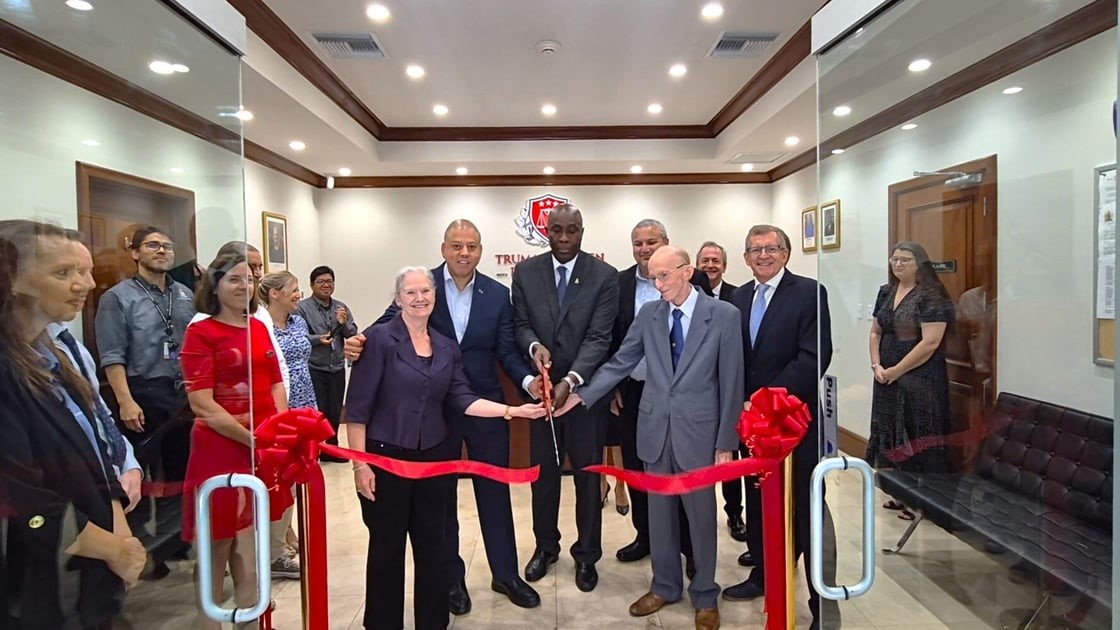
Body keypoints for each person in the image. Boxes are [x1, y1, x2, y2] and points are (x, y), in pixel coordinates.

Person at [344, 220, 541, 613]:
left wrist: (529, 381)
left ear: (480, 250)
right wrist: (357, 342)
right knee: (440, 500)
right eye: (456, 245)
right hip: (433, 412)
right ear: (444, 248)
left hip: (480, 403)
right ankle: (450, 580)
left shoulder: (498, 294)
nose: (464, 252)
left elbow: (506, 349)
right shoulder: (422, 285)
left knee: (494, 491)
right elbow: (386, 326)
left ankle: (505, 574)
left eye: (471, 246)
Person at [558, 246, 743, 630]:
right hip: (655, 429)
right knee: (658, 517)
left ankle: (705, 595)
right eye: (651, 276)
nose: (656, 284)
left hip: (700, 433)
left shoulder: (723, 315)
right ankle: (664, 585)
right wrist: (581, 395)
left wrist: (726, 441)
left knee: (701, 519)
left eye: (663, 276)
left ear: (687, 272)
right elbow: (621, 361)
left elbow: (732, 382)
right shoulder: (649, 314)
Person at [0, 220, 147, 629]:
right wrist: (111, 546)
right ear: (14, 280)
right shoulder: (8, 368)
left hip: (82, 563)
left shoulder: (54, 355)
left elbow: (94, 441)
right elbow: (22, 494)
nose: (84, 284)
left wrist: (117, 520)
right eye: (63, 273)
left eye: (83, 272)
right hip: (37, 575)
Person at [722, 224, 838, 630]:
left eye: (771, 248)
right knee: (759, 501)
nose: (763, 255)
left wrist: (767, 398)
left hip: (793, 421)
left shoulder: (809, 293)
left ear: (786, 253)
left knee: (804, 508)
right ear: (746, 258)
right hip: (751, 424)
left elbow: (815, 356)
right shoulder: (738, 296)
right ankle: (763, 576)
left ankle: (820, 599)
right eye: (754, 250)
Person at [512, 203, 619, 593]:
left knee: (588, 480)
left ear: (582, 230)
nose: (563, 239)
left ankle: (587, 554)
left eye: (571, 230)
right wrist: (534, 346)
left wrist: (571, 381)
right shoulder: (525, 272)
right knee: (544, 478)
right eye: (555, 230)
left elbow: (599, 338)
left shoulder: (604, 276)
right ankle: (546, 547)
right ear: (545, 230)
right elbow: (521, 324)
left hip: (584, 397)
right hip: (542, 397)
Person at [179, 250, 288, 630]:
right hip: (220, 448)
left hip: (261, 446)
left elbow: (276, 382)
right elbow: (202, 404)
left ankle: (249, 618)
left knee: (249, 543)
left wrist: (280, 433)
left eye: (249, 279)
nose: (244, 286)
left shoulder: (256, 327)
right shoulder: (201, 332)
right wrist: (251, 438)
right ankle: (207, 620)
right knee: (216, 544)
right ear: (215, 284)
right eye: (234, 279)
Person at [95, 225, 196, 577]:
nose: (162, 251)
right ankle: (143, 550)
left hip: (182, 394)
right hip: (141, 391)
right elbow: (111, 356)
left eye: (167, 246)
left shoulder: (184, 294)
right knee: (141, 475)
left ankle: (175, 542)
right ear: (135, 253)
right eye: (153, 245)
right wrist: (125, 400)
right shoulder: (117, 298)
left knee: (180, 472)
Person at [611, 219, 711, 569]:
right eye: (637, 243)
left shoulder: (693, 281)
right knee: (641, 469)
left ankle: (688, 546)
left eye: (651, 241)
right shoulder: (620, 283)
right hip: (636, 394)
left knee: (683, 472)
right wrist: (612, 387)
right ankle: (647, 536)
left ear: (667, 242)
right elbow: (614, 340)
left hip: (685, 398)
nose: (644, 248)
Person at [867, 242, 955, 519]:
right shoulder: (886, 291)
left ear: (920, 264)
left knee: (918, 433)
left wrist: (897, 370)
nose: (898, 264)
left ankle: (925, 500)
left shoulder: (932, 295)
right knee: (893, 432)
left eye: (905, 259)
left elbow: (930, 343)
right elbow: (875, 332)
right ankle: (901, 493)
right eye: (894, 259)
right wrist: (877, 365)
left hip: (920, 376)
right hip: (886, 376)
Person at [258, 270, 316, 580]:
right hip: (281, 406)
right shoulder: (261, 325)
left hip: (305, 403)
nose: (299, 294)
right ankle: (275, 548)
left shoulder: (298, 321)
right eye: (293, 289)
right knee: (278, 478)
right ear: (274, 294)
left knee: (296, 478)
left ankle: (285, 535)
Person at [696, 240, 748, 545]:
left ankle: (734, 512)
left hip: (730, 391)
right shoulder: (687, 296)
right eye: (705, 260)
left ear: (725, 266)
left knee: (732, 457)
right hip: (701, 395)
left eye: (716, 260)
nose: (710, 266)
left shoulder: (738, 297)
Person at [297, 265, 357, 462]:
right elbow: (299, 336)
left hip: (336, 365)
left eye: (330, 282)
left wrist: (343, 322)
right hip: (314, 365)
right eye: (321, 282)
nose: (326, 285)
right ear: (312, 285)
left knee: (335, 408)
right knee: (319, 408)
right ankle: (318, 448)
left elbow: (352, 333)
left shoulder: (341, 307)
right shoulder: (302, 308)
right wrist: (317, 340)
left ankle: (332, 448)